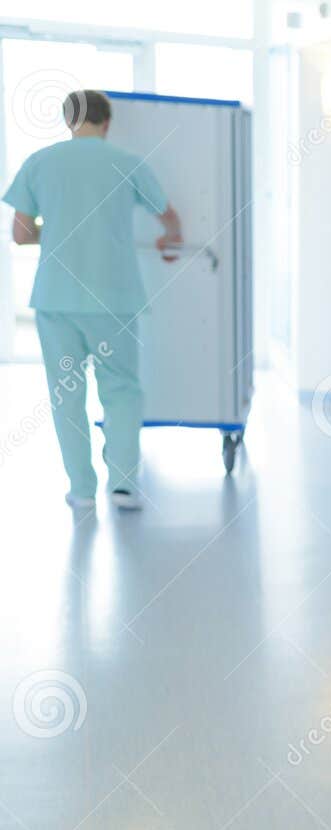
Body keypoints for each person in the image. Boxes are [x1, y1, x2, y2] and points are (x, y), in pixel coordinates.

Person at [3, 89, 183, 512]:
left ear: (69, 122)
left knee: (67, 393)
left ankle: (81, 489)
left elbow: (20, 234)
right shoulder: (127, 163)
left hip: (57, 299)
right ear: (107, 122)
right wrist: (170, 238)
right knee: (121, 389)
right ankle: (122, 484)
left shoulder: (40, 163)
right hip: (114, 298)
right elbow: (168, 214)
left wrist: (62, 229)